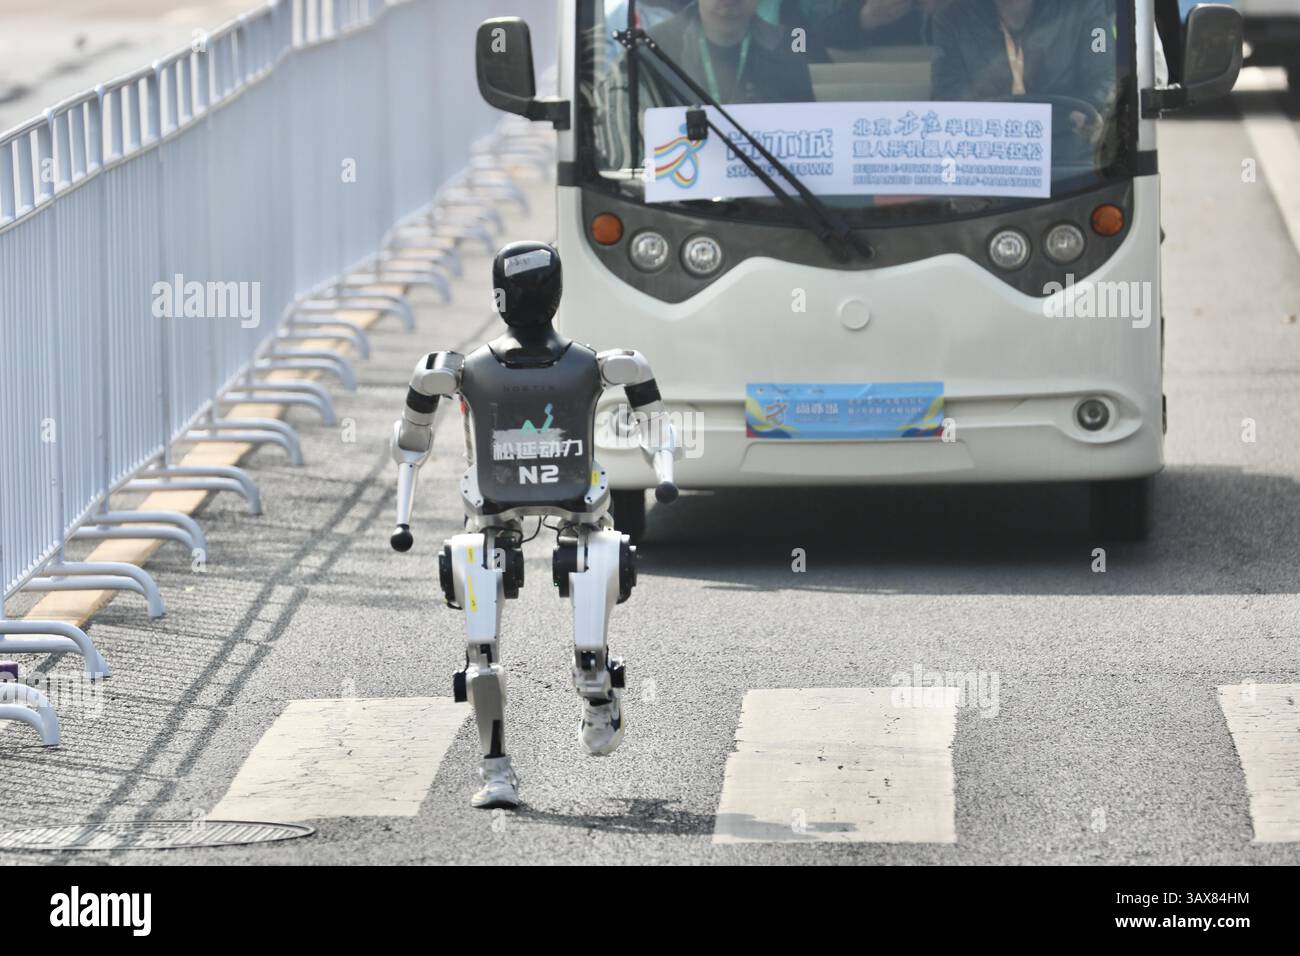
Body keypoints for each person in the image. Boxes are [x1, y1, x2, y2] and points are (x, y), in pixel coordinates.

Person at [387, 242, 680, 809]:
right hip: (566, 501)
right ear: (558, 293)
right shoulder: (595, 364)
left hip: (503, 507)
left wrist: (404, 515)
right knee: (512, 635)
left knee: (483, 653)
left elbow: (410, 441)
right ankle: (585, 698)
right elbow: (654, 419)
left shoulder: (461, 369)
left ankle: (504, 766)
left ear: (499, 297)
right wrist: (663, 470)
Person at [931, 0, 1117, 144]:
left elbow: (1103, 77)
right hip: (985, 159)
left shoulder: (1085, 7)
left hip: (1067, 162)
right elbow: (948, 97)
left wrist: (1092, 109)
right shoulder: (954, 18)